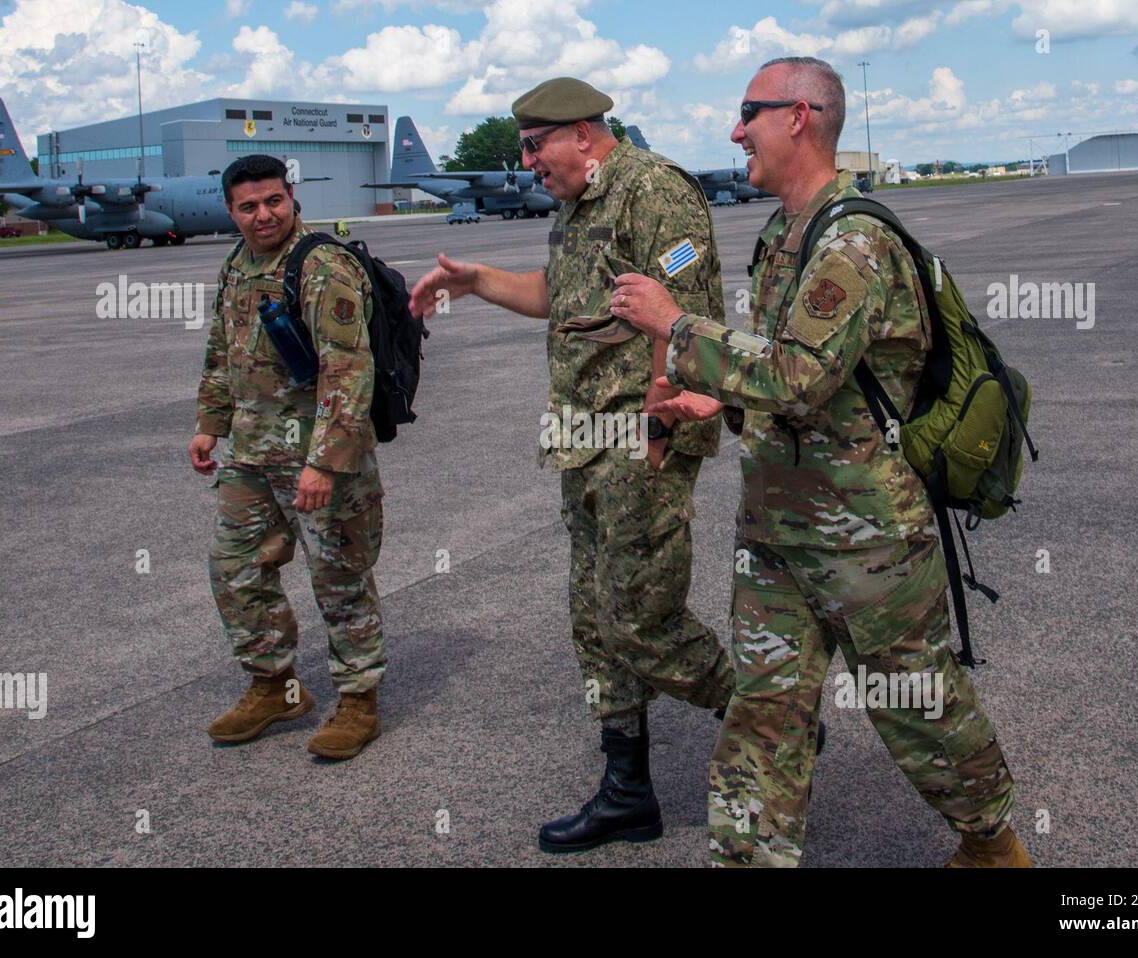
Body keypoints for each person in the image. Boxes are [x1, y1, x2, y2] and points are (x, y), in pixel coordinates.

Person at [610, 57, 1030, 868]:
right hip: (777, 533)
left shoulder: (855, 242)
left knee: (916, 705)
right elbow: (790, 373)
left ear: (798, 117)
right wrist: (717, 402)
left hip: (866, 539)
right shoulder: (784, 234)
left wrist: (674, 328)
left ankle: (992, 840)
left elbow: (798, 374)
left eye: (748, 113)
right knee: (763, 712)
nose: (735, 131)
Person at [408, 77, 734, 853]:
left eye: (535, 146)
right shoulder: (579, 205)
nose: (527, 163)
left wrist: (661, 427)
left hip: (638, 440)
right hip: (583, 442)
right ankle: (628, 792)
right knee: (594, 624)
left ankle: (771, 718)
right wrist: (476, 280)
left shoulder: (656, 192)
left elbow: (682, 313)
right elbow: (565, 295)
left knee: (643, 622)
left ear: (582, 135)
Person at [190, 154, 386, 761]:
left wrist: (324, 463)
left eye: (273, 201)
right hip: (251, 453)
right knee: (234, 567)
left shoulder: (320, 264)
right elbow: (223, 348)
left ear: (291, 197)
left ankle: (358, 698)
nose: (263, 214)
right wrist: (209, 424)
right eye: (248, 206)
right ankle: (274, 685)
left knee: (338, 574)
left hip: (319, 453)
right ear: (231, 211)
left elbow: (349, 371)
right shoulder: (236, 264)